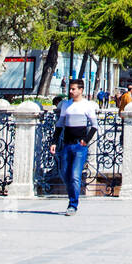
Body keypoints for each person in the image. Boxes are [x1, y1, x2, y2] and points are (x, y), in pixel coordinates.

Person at [49, 78, 98, 215]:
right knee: (64, 173)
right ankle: (72, 197)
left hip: (79, 146)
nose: (71, 91)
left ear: (81, 90)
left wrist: (86, 140)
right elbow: (60, 125)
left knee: (75, 175)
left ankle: (73, 204)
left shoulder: (87, 105)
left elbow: (94, 126)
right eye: (70, 89)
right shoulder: (66, 105)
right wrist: (54, 141)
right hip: (66, 144)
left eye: (73, 89)